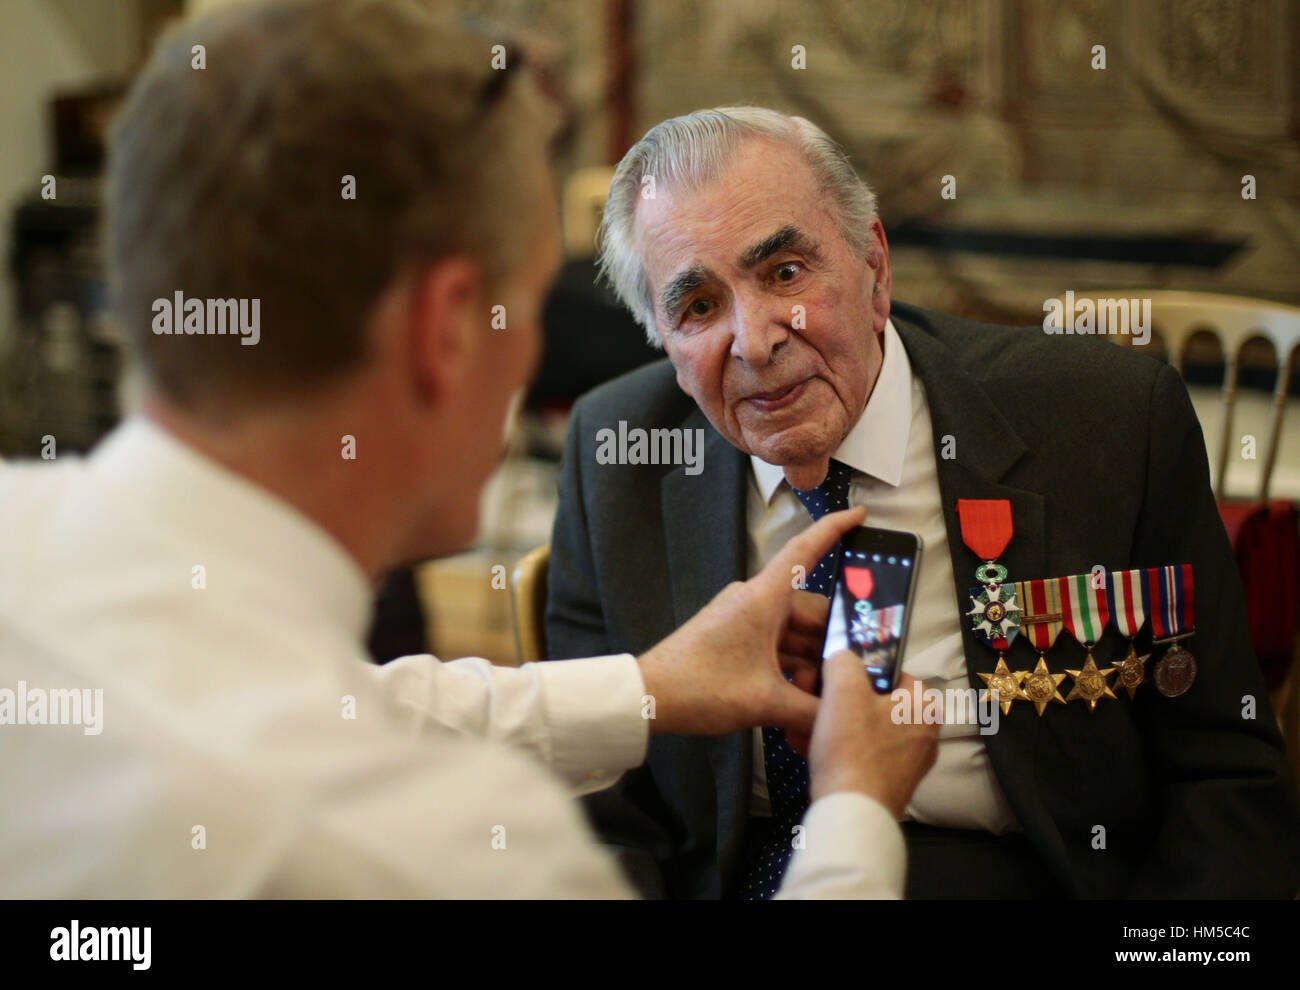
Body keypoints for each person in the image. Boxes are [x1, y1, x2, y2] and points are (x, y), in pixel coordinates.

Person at [0, 0, 938, 897]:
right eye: (524, 304)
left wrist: (647, 687)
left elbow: (351, 703)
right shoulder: (452, 854)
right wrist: (855, 808)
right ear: (446, 331)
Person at [546, 105, 1300, 898]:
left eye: (785, 274)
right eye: (698, 307)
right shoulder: (618, 451)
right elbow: (604, 804)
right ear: (661, 338)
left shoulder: (1108, 423)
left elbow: (1222, 779)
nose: (756, 339)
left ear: (874, 266)